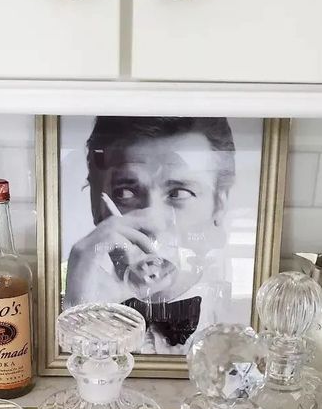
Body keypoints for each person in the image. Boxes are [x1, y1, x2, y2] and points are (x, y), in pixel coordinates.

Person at [65, 117, 236, 354]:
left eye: (178, 193)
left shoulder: (243, 323)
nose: (153, 223)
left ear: (219, 203)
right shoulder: (69, 300)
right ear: (96, 206)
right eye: (126, 193)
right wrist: (78, 311)